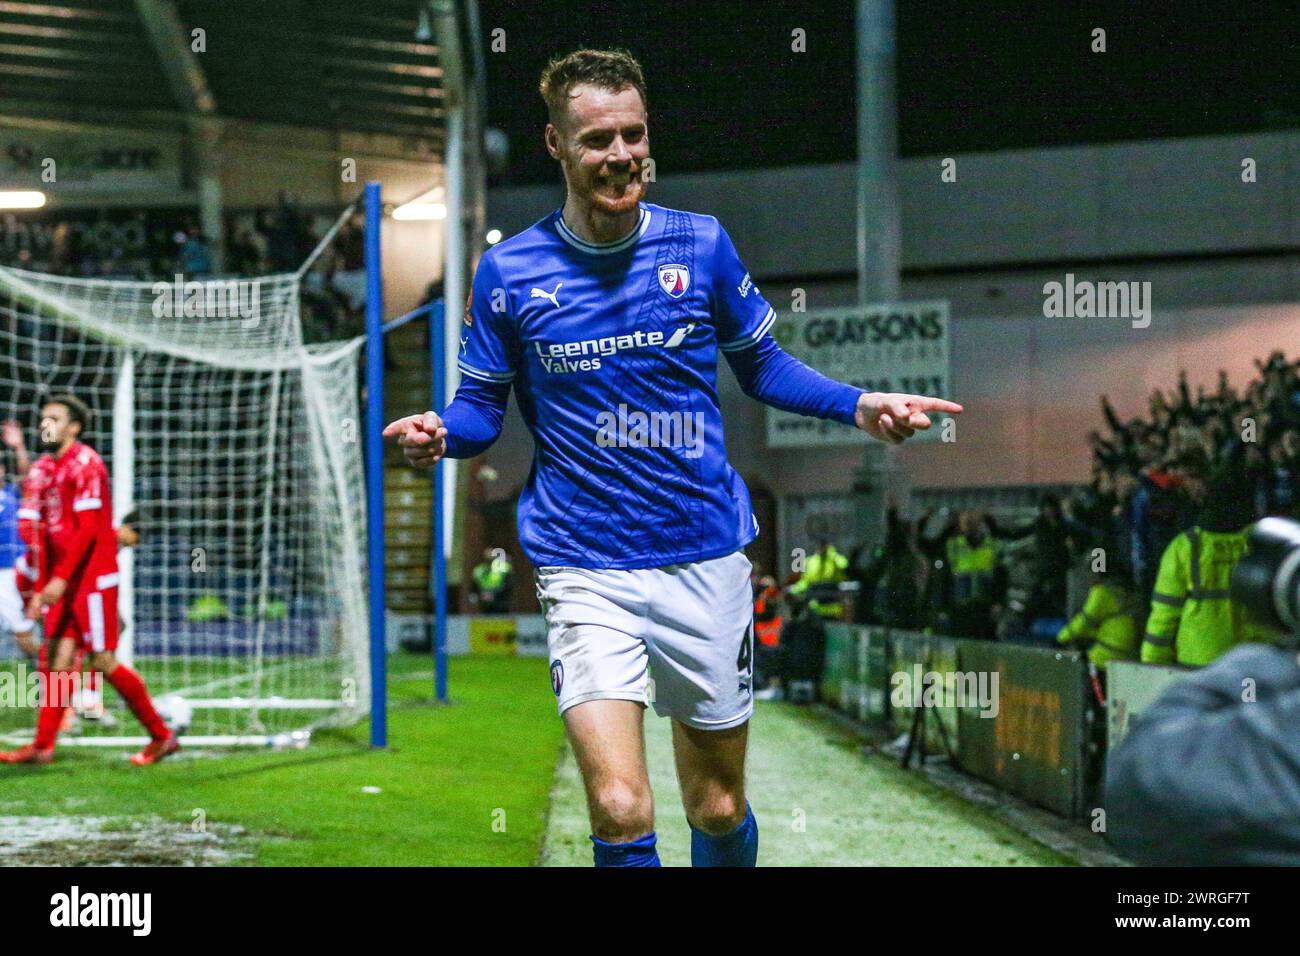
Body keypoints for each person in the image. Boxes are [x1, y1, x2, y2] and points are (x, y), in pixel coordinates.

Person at [382, 48, 962, 867]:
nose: (621, 156)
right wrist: (441, 434)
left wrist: (859, 404)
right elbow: (481, 411)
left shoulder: (703, 245)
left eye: (634, 135)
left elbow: (763, 368)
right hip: (583, 564)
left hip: (705, 555)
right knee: (620, 809)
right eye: (597, 140)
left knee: (717, 806)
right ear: (556, 144)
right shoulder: (509, 271)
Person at [0, 395, 178, 766]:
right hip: (61, 581)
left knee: (101, 659)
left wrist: (61, 580)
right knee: (56, 659)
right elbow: (41, 534)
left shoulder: (86, 464)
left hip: (92, 579)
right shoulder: (43, 470)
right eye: (43, 418)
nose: (45, 424)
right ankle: (43, 746)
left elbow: (86, 532)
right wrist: (38, 585)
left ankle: (161, 736)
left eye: (55, 418)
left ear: (74, 428)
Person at [1141, 465, 1275, 666]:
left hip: (1200, 659)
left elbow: (1165, 613)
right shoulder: (1264, 541)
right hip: (1254, 659)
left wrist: (1151, 663)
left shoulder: (1185, 547)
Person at [788, 538, 849, 619]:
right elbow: (805, 582)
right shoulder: (810, 561)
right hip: (816, 606)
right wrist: (793, 589)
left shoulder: (835, 559)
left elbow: (844, 565)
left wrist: (832, 554)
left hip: (834, 606)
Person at [471, 547, 513, 614]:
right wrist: (480, 596)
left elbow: (510, 584)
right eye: (487, 559)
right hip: (484, 605)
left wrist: (495, 595)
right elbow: (473, 589)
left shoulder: (502, 568)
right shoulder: (478, 571)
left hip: (500, 603)